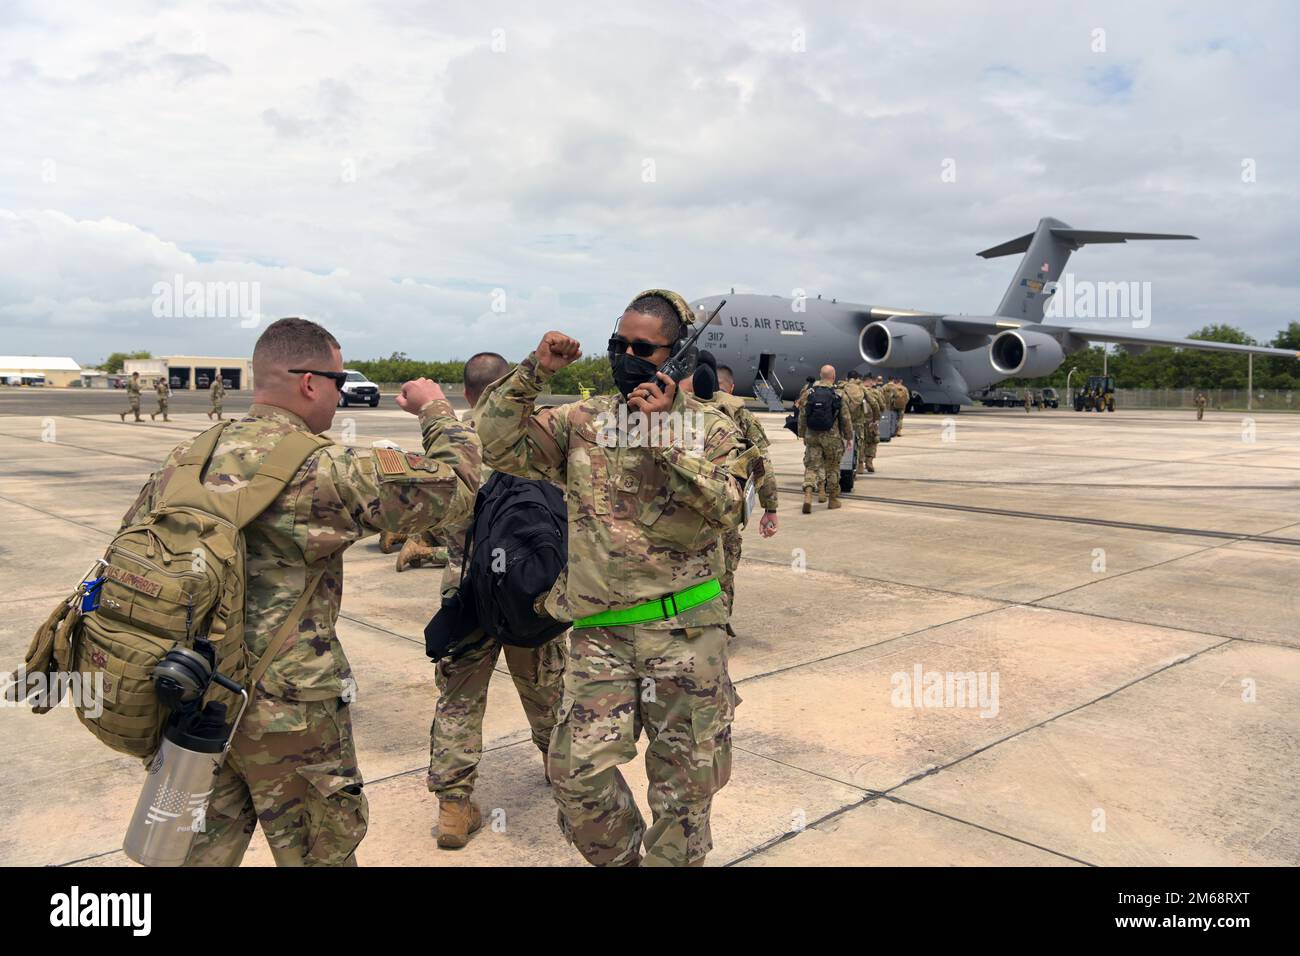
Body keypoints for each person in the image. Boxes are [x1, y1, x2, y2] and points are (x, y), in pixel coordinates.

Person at [118, 317, 481, 866]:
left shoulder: (188, 457)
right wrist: (436, 412)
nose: (339, 396)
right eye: (337, 382)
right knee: (321, 855)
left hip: (192, 694)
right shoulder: (324, 466)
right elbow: (459, 489)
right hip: (289, 709)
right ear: (310, 382)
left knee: (191, 855)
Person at [476, 289, 750, 867]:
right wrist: (535, 371)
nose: (627, 356)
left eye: (642, 348)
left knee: (684, 793)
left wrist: (661, 439)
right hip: (600, 634)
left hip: (685, 637)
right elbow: (497, 443)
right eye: (617, 344)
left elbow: (729, 507)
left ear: (675, 357)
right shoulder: (583, 421)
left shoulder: (710, 428)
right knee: (575, 777)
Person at [427, 351, 566, 849]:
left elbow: (431, 516)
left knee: (459, 700)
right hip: (530, 592)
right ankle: (561, 769)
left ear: (467, 395)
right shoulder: (536, 444)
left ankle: (453, 806)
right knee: (546, 688)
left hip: (466, 591)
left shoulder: (451, 446)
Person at [681, 357, 778, 632]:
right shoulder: (737, 413)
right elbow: (762, 464)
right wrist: (770, 508)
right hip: (724, 511)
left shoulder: (672, 410)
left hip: (682, 513)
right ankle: (719, 627)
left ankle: (686, 628)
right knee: (722, 573)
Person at [799, 365, 853, 513]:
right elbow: (845, 418)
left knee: (811, 466)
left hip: (813, 435)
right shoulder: (838, 393)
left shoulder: (809, 392)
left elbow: (802, 415)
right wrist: (848, 437)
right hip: (832, 437)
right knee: (833, 467)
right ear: (833, 376)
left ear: (820, 375)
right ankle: (833, 500)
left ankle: (808, 495)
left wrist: (802, 434)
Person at [842, 371, 869, 474]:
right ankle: (860, 464)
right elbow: (873, 402)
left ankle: (844, 465)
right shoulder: (861, 389)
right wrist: (876, 417)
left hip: (845, 421)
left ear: (847, 378)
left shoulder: (843, 387)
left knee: (845, 443)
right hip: (859, 422)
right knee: (860, 443)